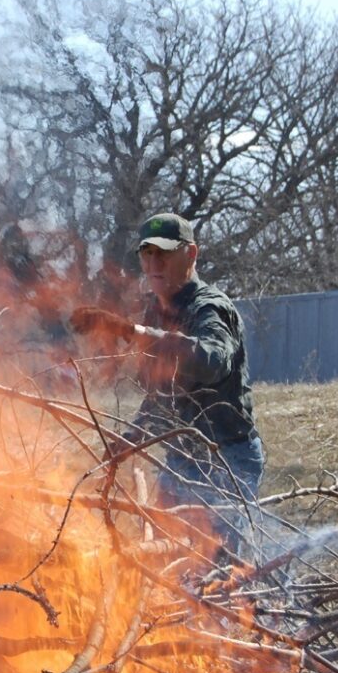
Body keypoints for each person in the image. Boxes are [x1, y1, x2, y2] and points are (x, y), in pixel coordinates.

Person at [69, 213, 264, 552]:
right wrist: (131, 439)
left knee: (220, 566)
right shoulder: (157, 312)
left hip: (226, 458)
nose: (154, 263)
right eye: (147, 253)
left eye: (165, 253)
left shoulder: (210, 309)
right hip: (180, 458)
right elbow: (163, 392)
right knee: (166, 557)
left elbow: (212, 362)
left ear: (190, 255)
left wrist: (134, 333)